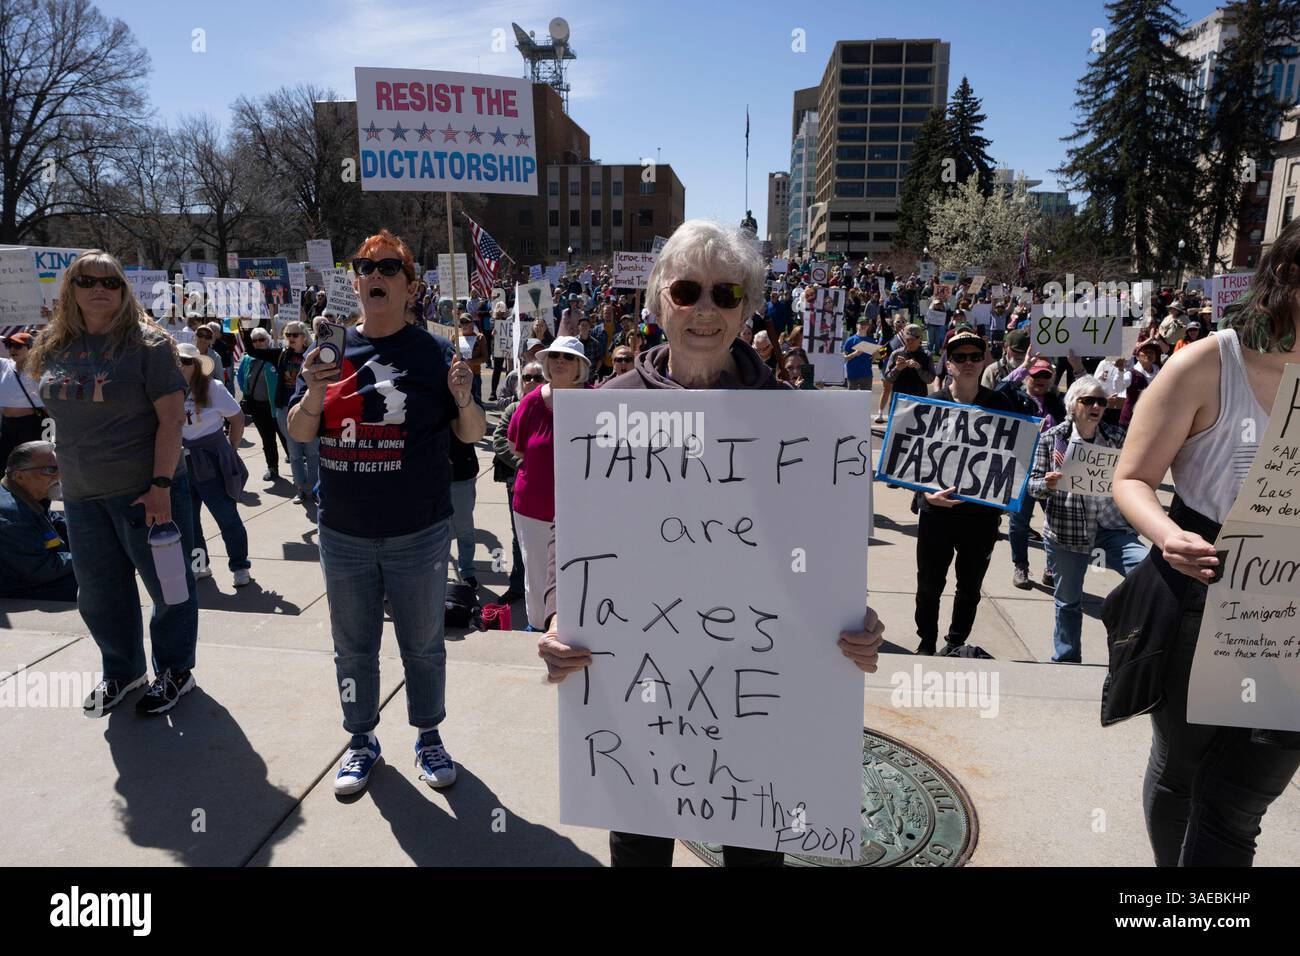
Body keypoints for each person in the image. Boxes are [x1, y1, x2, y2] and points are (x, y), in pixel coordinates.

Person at [536, 220, 887, 867]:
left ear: (748, 308)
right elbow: (571, 529)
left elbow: (825, 542)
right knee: (639, 847)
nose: (705, 310)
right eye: (687, 290)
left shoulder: (794, 420)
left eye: (726, 295)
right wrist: (560, 612)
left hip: (759, 688)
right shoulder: (609, 408)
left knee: (756, 852)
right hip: (640, 688)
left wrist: (853, 619)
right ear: (657, 302)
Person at [1111, 221, 1300, 866]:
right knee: (1185, 771)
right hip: (1202, 590)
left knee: (1248, 790)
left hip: (1292, 605)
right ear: (1290, 278)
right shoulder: (1204, 363)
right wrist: (1169, 537)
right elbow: (1132, 477)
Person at [287, 229, 485, 797]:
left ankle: (428, 735)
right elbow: (301, 432)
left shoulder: (436, 355)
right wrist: (311, 393)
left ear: (409, 286)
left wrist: (466, 398)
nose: (374, 274)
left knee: (423, 644)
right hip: (344, 532)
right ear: (355, 282)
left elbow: (470, 435)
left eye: (388, 268)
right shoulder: (329, 353)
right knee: (352, 647)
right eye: (365, 266)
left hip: (418, 533)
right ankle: (361, 740)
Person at [27, 249, 199, 716]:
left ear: (123, 291)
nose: (99, 288)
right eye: (87, 281)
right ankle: (122, 672)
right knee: (100, 595)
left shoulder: (147, 344)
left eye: (111, 282)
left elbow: (170, 421)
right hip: (81, 494)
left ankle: (175, 670)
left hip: (145, 491)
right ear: (71, 289)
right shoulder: (53, 344)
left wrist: (161, 484)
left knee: (169, 588)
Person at [1028, 376, 1144, 662]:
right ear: (1072, 404)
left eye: (1101, 401)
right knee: (1068, 602)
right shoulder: (1050, 438)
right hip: (1067, 533)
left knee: (1145, 571)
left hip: (1110, 528)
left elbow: (1136, 475)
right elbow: (1030, 484)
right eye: (1088, 400)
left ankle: (1135, 645)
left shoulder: (1117, 437)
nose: (1096, 406)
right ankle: (1066, 660)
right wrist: (1048, 484)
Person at [913, 330, 1015, 655]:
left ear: (985, 359)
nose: (968, 362)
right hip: (937, 514)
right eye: (960, 357)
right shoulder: (931, 405)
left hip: (981, 518)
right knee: (929, 586)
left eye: (975, 356)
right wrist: (925, 496)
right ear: (949, 363)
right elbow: (913, 462)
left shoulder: (1001, 405)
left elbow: (1014, 457)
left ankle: (955, 643)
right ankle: (926, 642)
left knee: (969, 588)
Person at [507, 336, 590, 631]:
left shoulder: (597, 400)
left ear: (580, 366)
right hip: (534, 507)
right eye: (554, 356)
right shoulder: (530, 403)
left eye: (567, 358)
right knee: (539, 575)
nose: (559, 362)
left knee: (583, 573)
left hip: (584, 509)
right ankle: (540, 632)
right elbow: (516, 448)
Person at [177, 341, 251, 588]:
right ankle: (200, 565)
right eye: (176, 361)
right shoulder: (169, 390)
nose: (180, 366)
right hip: (181, 462)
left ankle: (240, 566)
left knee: (226, 516)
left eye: (185, 361)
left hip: (209, 460)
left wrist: (231, 448)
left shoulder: (213, 387)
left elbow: (237, 418)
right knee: (189, 521)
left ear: (196, 365)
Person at [491, 360, 545, 607]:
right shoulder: (514, 408)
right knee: (519, 537)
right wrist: (524, 464)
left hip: (548, 485)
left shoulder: (553, 406)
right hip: (518, 482)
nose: (532, 382)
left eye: (537, 377)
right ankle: (517, 586)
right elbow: (500, 440)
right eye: (527, 377)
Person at [0, 440, 76, 602]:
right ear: (20, 475)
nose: (58, 476)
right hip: (19, 587)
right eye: (49, 470)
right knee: (99, 584)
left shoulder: (31, 496)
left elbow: (63, 527)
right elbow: (42, 568)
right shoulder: (11, 515)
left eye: (60, 467)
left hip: (33, 573)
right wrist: (90, 556)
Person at [236, 325, 290, 482]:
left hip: (276, 406)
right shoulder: (247, 359)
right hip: (257, 407)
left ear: (268, 340)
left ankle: (297, 465)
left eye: (262, 339)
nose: (258, 343)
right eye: (255, 340)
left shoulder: (276, 357)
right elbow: (241, 379)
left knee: (285, 438)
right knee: (267, 439)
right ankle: (272, 468)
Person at [0, 331, 47, 467]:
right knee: (5, 463)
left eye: (18, 346)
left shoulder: (39, 368)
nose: (12, 349)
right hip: (6, 424)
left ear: (30, 349)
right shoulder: (4, 365)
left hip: (29, 424)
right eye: (9, 345)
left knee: (30, 463)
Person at [448, 432, 481, 591]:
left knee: (464, 527)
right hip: (429, 473)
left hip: (461, 473)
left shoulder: (466, 405)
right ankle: (436, 571)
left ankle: (467, 571)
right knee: (431, 529)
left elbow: (476, 432)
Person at [883, 324, 935, 399]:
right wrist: (897, 369)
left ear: (921, 338)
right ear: (903, 338)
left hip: (918, 399)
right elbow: (888, 378)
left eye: (913, 340)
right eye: (907, 339)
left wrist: (919, 368)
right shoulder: (896, 354)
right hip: (899, 399)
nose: (910, 342)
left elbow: (930, 380)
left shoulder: (926, 355)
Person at [1119, 340, 1163, 428]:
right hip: (1131, 421)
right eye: (1145, 352)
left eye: (1151, 352)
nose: (1149, 354)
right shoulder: (1131, 373)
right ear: (1137, 357)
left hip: (1151, 419)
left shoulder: (1161, 372)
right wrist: (1120, 370)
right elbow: (1119, 385)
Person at [841, 317, 876, 390]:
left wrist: (875, 354)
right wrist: (855, 354)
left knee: (865, 398)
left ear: (868, 326)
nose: (864, 326)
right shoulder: (850, 340)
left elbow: (873, 360)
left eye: (866, 324)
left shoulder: (872, 341)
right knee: (852, 398)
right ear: (857, 325)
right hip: (853, 374)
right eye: (861, 324)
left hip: (867, 374)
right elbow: (844, 357)